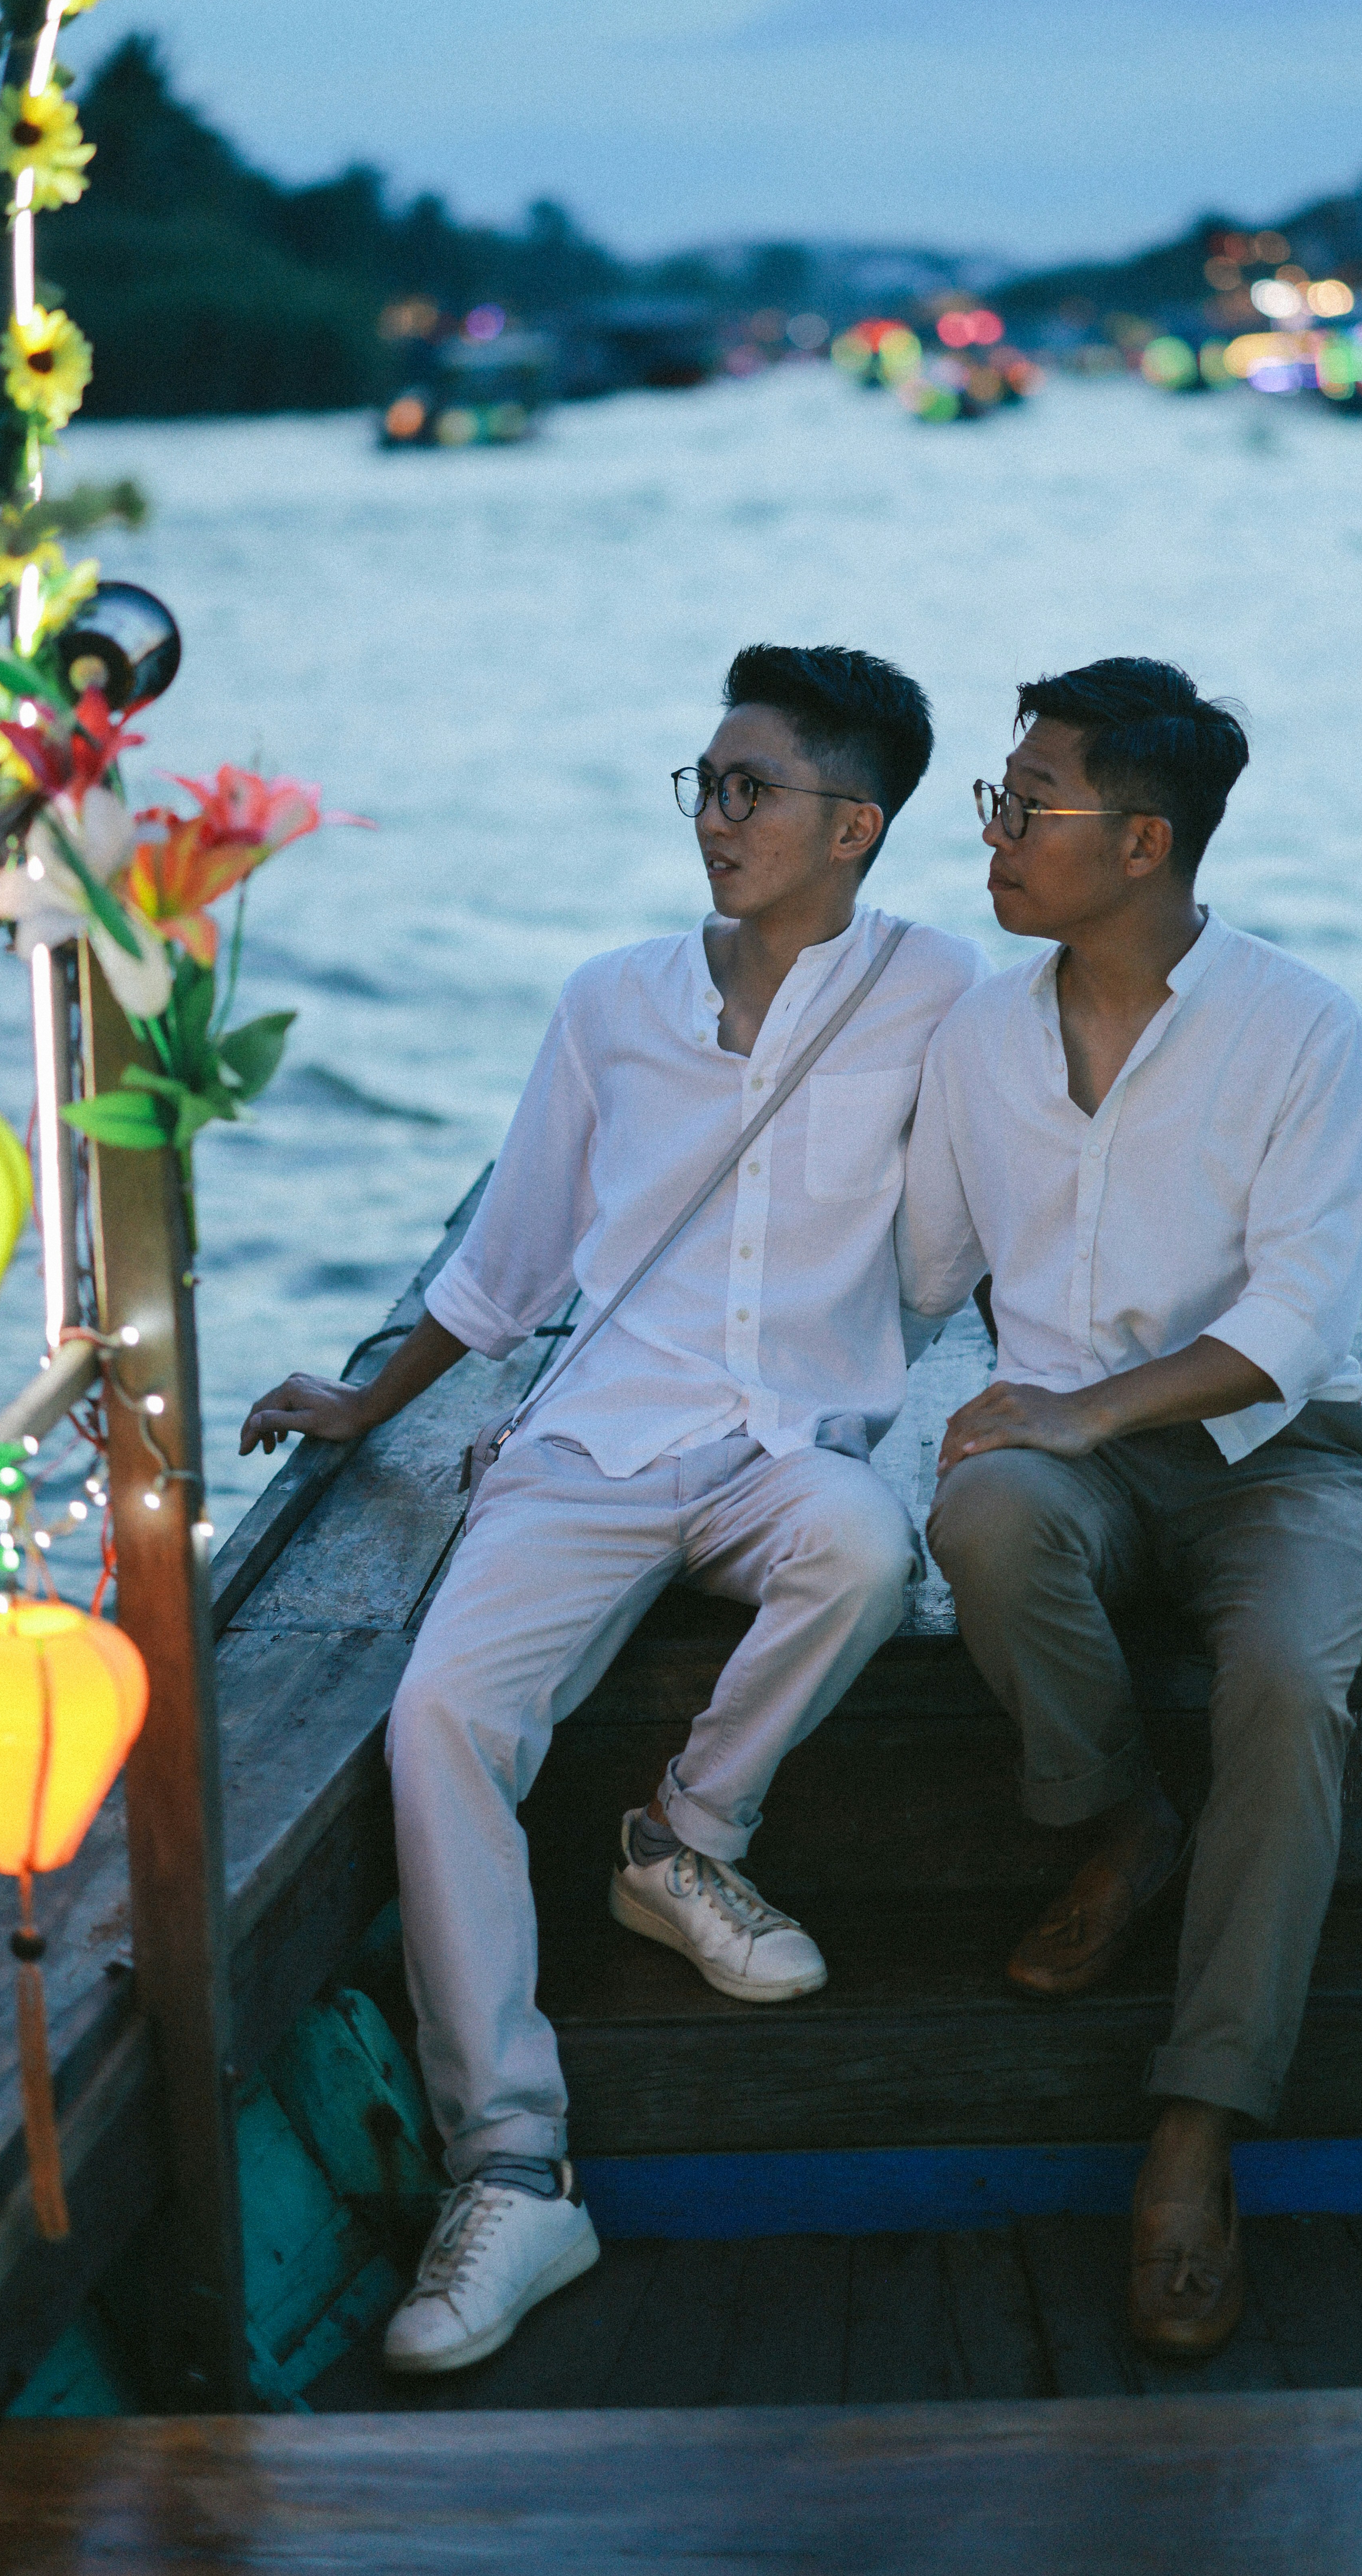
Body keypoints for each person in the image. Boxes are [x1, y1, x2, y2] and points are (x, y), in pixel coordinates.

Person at [241, 643, 980, 2376]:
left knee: (865, 1546)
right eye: (704, 784)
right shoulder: (611, 1001)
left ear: (857, 824)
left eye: (752, 788)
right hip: (592, 1441)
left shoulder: (942, 992)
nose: (713, 818)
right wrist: (367, 1401)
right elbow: (508, 1259)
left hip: (787, 1444)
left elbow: (1010, 1202)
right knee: (443, 1714)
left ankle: (682, 1841)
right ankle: (511, 2166)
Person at [899, 656, 1362, 2365]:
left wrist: (1082, 1405)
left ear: (1142, 843)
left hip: (1281, 1453)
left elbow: (1299, 1325)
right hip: (1073, 1463)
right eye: (1001, 797)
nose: (995, 831)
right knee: (982, 1517)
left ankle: (1198, 2122)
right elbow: (917, 1278)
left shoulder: (1304, 1026)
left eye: (1028, 804)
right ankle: (1122, 1816)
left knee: (1289, 1687)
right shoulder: (975, 1033)